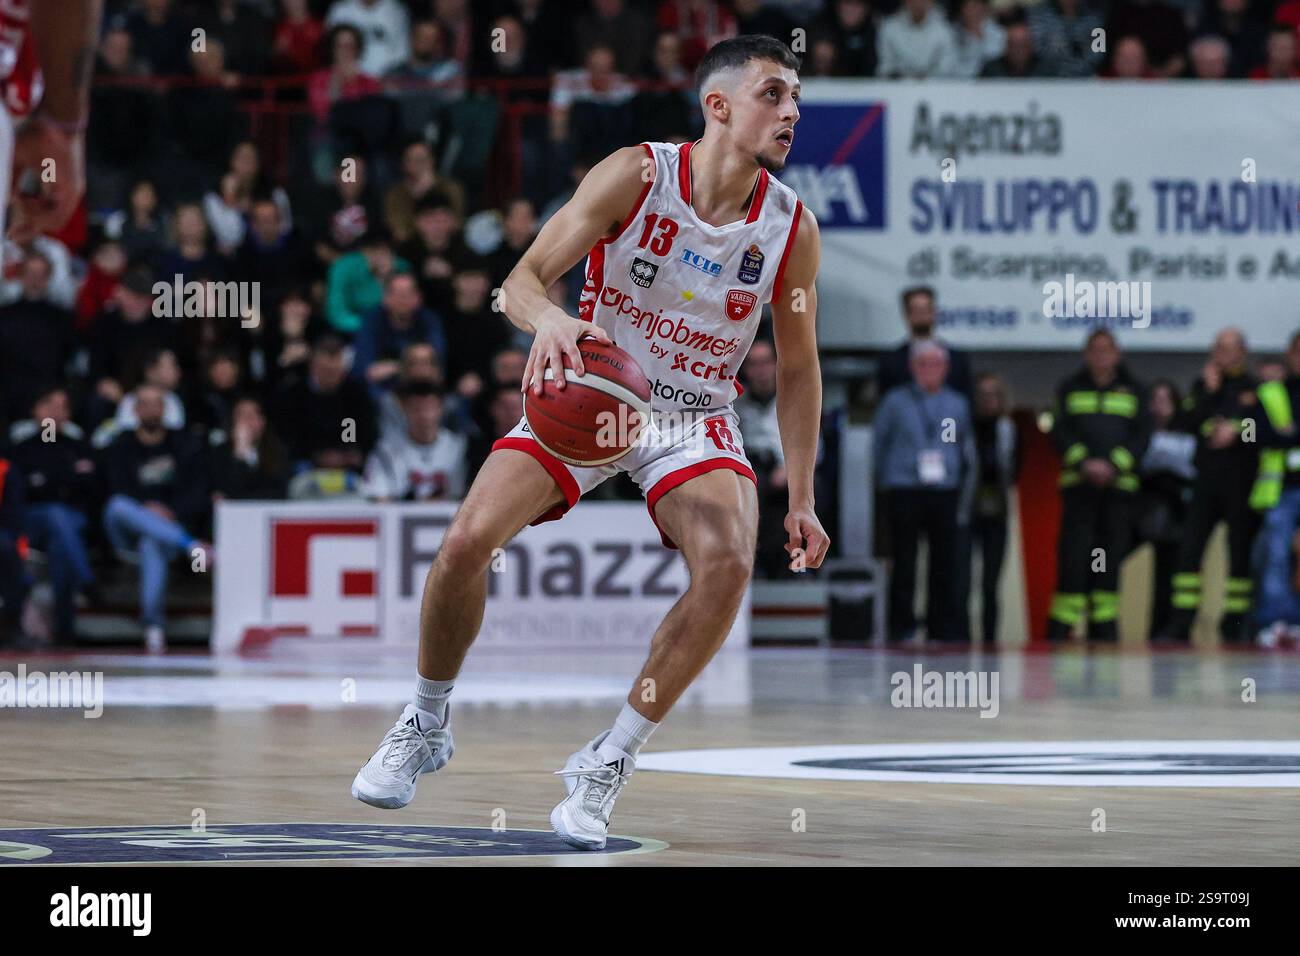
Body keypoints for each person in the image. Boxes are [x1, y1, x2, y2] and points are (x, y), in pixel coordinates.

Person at [351, 36, 828, 850]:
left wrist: (805, 495)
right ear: (717, 107)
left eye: (794, 99)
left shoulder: (791, 230)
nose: (790, 111)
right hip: (593, 383)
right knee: (466, 542)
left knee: (728, 564)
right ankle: (426, 721)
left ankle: (609, 761)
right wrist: (554, 320)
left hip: (693, 415)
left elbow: (798, 370)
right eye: (772, 94)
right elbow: (519, 284)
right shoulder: (636, 175)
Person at [1046, 330, 1150, 643]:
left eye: (1107, 350)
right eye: (1095, 350)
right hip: (1080, 491)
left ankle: (1104, 632)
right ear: (1086, 353)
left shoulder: (1134, 390)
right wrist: (1084, 463)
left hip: (1117, 494)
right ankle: (1059, 632)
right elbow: (1058, 430)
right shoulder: (1069, 388)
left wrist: (1114, 465)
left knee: (1105, 559)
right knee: (1075, 559)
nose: (1101, 356)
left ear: (1118, 354)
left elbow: (1142, 434)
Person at [1158, 328, 1260, 644]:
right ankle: (1181, 623)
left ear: (1242, 351)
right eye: (1217, 347)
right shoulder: (1203, 385)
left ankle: (1234, 625)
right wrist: (1211, 392)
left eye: (1229, 348)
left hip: (1241, 482)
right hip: (1205, 482)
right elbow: (1186, 424)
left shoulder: (1255, 388)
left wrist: (1237, 431)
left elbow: (1262, 431)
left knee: (1239, 553)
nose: (1222, 354)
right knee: (1189, 551)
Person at [873, 340, 976, 644]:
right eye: (923, 364)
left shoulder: (957, 404)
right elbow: (879, 446)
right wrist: (884, 484)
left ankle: (939, 628)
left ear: (945, 368)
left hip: (944, 491)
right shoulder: (894, 402)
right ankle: (901, 627)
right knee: (904, 562)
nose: (930, 370)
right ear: (912, 367)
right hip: (903, 489)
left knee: (944, 563)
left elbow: (964, 448)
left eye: (936, 364)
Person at [102, 384, 212, 654]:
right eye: (145, 404)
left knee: (152, 542)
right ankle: (191, 544)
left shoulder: (184, 443)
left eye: (157, 403)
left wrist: (169, 511)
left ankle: (153, 626)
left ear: (165, 409)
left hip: (167, 528)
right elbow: (114, 488)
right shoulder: (120, 444)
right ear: (136, 410)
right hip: (126, 529)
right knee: (117, 506)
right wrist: (146, 508)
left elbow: (199, 492)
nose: (152, 409)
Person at [9, 386, 100, 645]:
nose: (57, 412)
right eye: (50, 405)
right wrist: (67, 478)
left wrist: (49, 481)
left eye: (63, 406)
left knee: (61, 543)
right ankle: (86, 580)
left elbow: (92, 489)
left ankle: (64, 631)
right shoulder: (22, 449)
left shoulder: (79, 446)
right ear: (35, 411)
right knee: (55, 514)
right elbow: (20, 492)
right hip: (31, 521)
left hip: (73, 522)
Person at [1137, 379, 1196, 641]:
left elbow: (1193, 469)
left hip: (1175, 512)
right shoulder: (1139, 432)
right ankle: (1102, 625)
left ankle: (1171, 630)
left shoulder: (1187, 431)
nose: (1160, 407)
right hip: (1140, 509)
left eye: (1166, 400)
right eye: (1155, 400)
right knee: (1106, 561)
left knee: (1169, 574)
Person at [1252, 331, 1300, 645]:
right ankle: (1276, 621)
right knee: (1276, 555)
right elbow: (1253, 432)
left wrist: (1289, 433)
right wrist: (1284, 435)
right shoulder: (1272, 392)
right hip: (1281, 488)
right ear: (1289, 354)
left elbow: (1284, 434)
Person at [969, 373, 1020, 645]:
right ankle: (959, 638)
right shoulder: (965, 428)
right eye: (983, 395)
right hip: (968, 512)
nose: (988, 401)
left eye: (993, 395)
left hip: (997, 513)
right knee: (962, 581)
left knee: (991, 583)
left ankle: (990, 639)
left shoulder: (1008, 430)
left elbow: (1014, 470)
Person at [363, 380, 466, 501]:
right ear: (404, 409)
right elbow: (378, 496)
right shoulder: (385, 450)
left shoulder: (459, 447)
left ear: (441, 408)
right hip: (399, 518)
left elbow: (463, 495)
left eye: (429, 408)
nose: (423, 414)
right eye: (416, 408)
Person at [877, 285, 973, 400]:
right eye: (916, 310)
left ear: (934, 312)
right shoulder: (891, 362)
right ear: (906, 314)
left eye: (926, 309)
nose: (921, 315)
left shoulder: (957, 360)